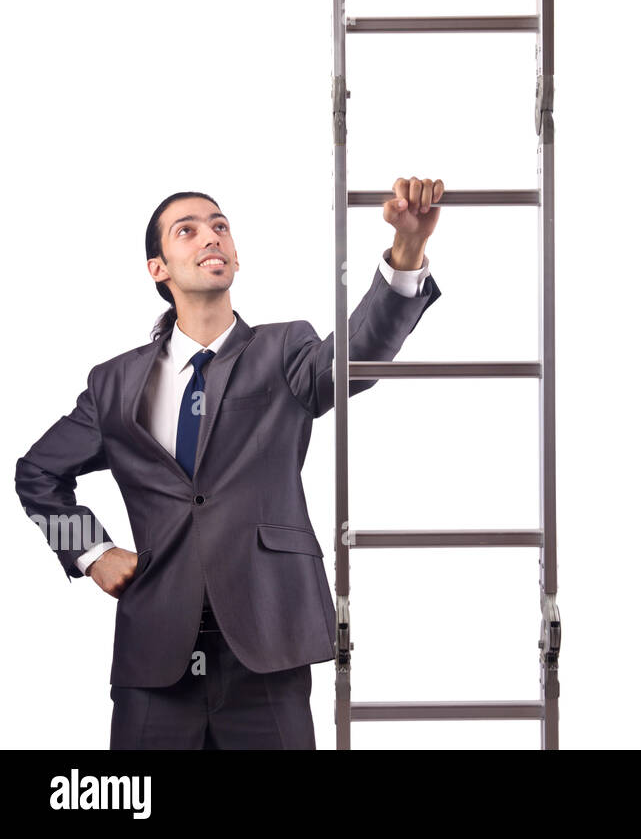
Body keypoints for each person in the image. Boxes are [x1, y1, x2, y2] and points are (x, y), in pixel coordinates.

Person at [15, 176, 445, 749]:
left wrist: (407, 250)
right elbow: (38, 473)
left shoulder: (284, 350)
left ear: (236, 257)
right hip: (155, 655)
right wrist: (92, 552)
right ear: (158, 269)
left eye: (220, 226)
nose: (210, 236)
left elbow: (359, 354)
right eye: (187, 230)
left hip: (268, 645)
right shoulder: (113, 382)